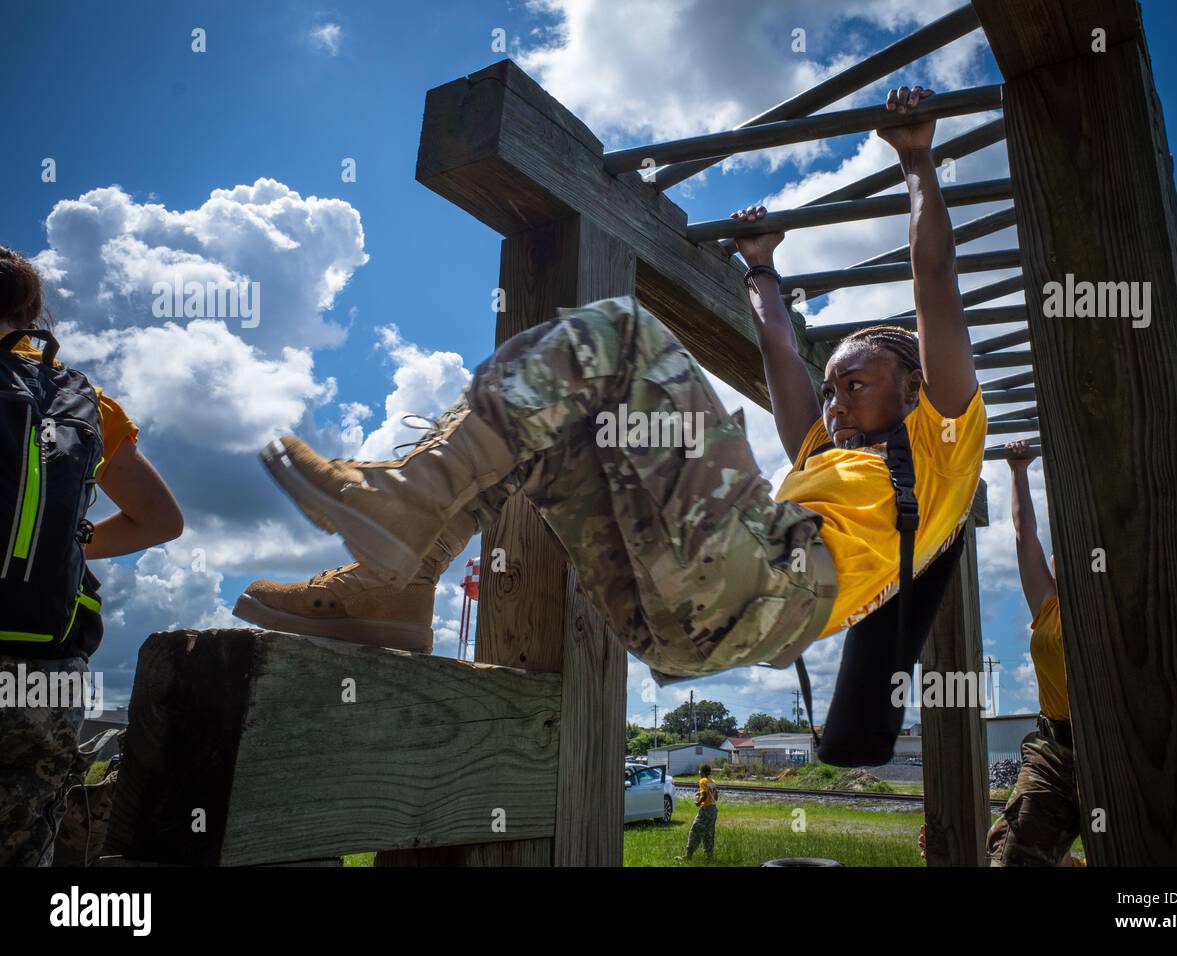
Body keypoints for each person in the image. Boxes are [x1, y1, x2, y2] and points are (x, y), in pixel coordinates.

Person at [250, 84, 984, 698]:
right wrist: (760, 268)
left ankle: (403, 496)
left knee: (622, 336)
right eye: (831, 392)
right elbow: (779, 349)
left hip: (767, 583)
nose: (834, 406)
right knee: (550, 435)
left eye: (853, 385)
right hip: (680, 622)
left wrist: (916, 161)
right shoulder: (827, 451)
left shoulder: (939, 442)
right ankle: (399, 583)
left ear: (917, 387)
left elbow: (935, 283)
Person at [0, 245, 184, 866]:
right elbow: (161, 521)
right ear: (29, 312)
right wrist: (70, 544)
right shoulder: (79, 400)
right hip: (41, 669)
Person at [984, 438, 1082, 867]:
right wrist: (1019, 471)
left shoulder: (1118, 609)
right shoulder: (1048, 606)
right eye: (1057, 554)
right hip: (1055, 753)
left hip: (1116, 748)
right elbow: (1026, 534)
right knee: (1010, 858)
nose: (1058, 558)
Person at [683, 764, 720, 861]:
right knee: (709, 833)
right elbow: (715, 797)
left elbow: (705, 795)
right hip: (713, 810)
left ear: (702, 772)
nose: (699, 773)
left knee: (695, 831)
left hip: (705, 810)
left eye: (700, 771)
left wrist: (698, 803)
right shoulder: (713, 782)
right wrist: (700, 793)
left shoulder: (702, 781)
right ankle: (709, 856)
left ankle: (688, 855)